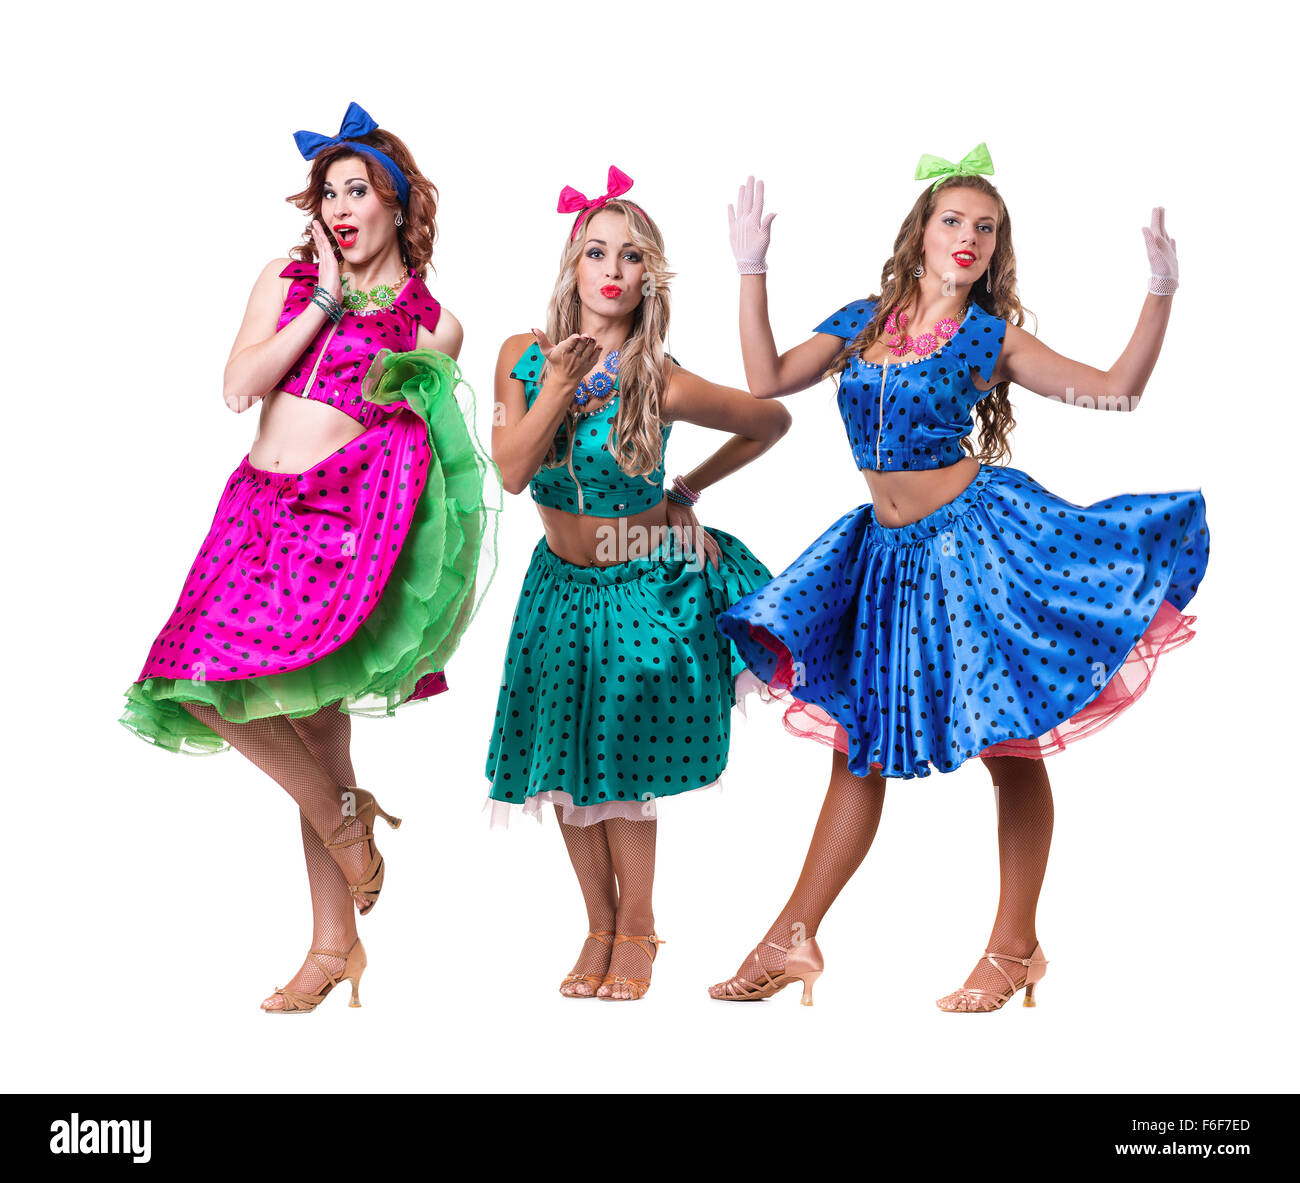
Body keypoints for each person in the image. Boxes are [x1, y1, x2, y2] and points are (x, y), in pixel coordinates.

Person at [708, 146, 1209, 1011]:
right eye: (954, 220)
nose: (969, 236)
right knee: (858, 744)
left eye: (987, 227)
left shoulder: (991, 338)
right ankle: (792, 938)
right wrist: (752, 270)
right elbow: (768, 379)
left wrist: (1160, 290)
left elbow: (1115, 392)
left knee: (1009, 742)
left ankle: (1014, 947)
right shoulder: (865, 320)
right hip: (886, 559)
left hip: (975, 547)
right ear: (922, 234)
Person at [119, 102, 497, 1013]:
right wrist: (324, 299)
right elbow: (237, 387)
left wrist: (401, 572)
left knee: (319, 725)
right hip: (252, 515)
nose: (339, 207)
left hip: (337, 533)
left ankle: (332, 946)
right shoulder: (285, 281)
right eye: (327, 192)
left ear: (397, 205)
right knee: (193, 680)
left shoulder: (433, 326)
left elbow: (423, 456)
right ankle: (345, 823)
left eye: (356, 190)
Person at [485, 167, 790, 1000]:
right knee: (561, 761)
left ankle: (639, 926)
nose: (612, 269)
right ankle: (598, 925)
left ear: (648, 277)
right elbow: (512, 470)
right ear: (573, 264)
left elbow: (771, 420)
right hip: (558, 586)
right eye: (596, 252)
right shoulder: (520, 357)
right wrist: (557, 383)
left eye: (630, 256)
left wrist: (686, 490)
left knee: (620, 763)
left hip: (642, 583)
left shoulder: (659, 378)